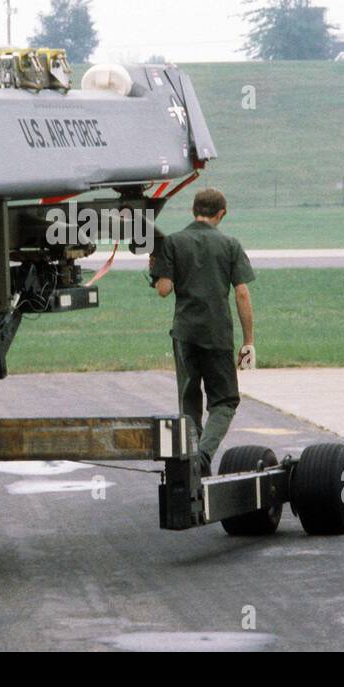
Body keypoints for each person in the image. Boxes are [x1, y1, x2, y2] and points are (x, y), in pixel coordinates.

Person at [149, 187, 255, 476]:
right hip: (217, 333)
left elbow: (163, 290)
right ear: (221, 213)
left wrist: (156, 272)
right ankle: (204, 456)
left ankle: (188, 457)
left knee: (189, 399)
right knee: (224, 400)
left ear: (193, 211)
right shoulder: (230, 244)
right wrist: (248, 342)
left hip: (184, 333)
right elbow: (242, 295)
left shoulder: (172, 242)